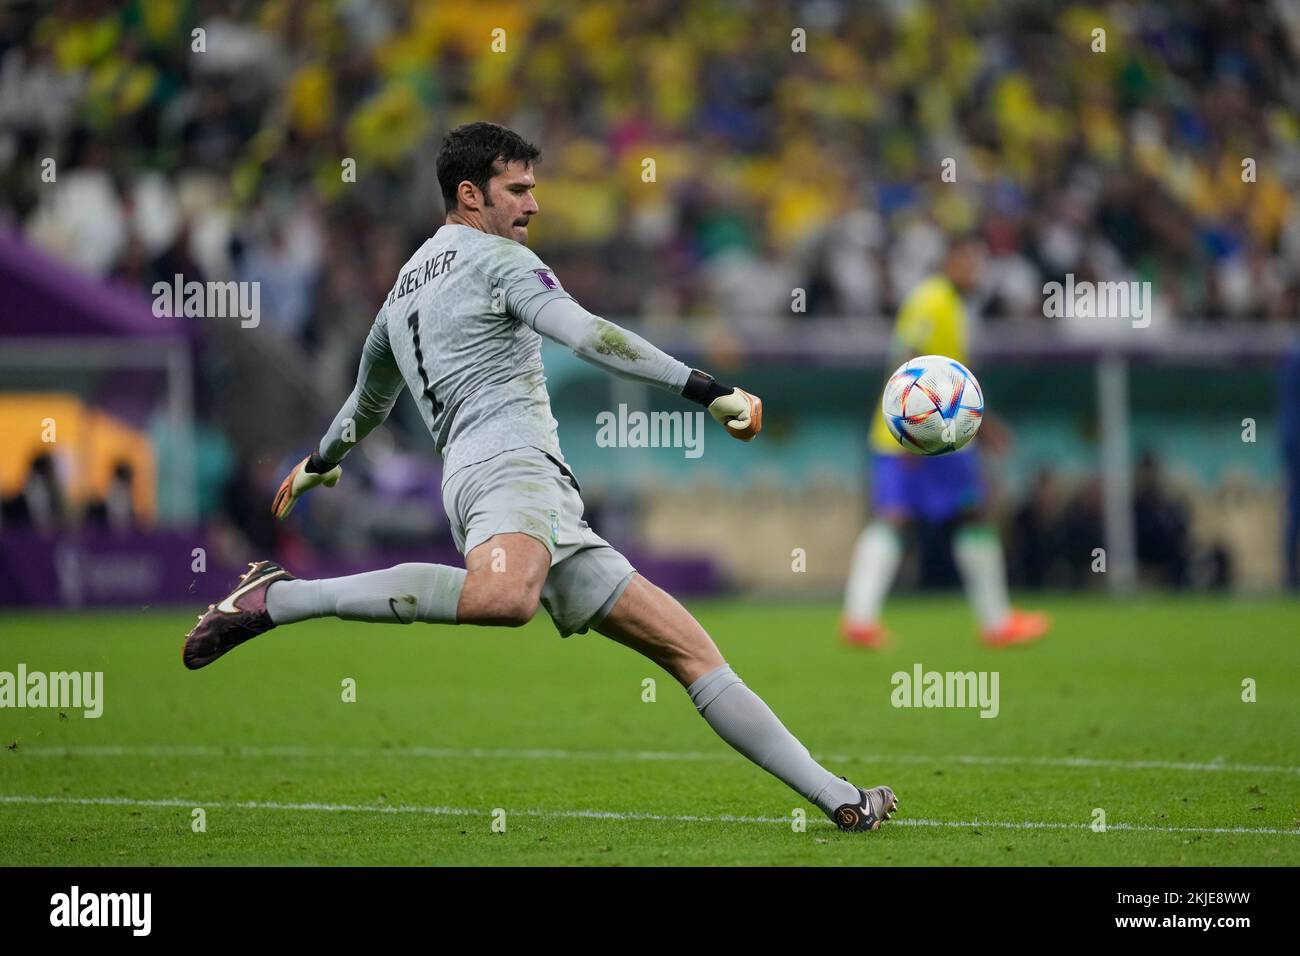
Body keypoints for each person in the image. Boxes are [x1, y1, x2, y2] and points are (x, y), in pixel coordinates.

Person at [184, 122, 897, 833]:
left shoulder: (401, 291)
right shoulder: (499, 263)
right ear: (470, 195)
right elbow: (589, 335)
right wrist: (709, 391)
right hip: (510, 472)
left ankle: (837, 794)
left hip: (518, 492)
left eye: (534, 189)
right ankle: (281, 597)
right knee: (505, 598)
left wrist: (321, 463)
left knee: (689, 650)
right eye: (517, 190)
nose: (533, 205)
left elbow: (369, 400)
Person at [841, 233, 1050, 649]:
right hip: (919, 435)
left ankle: (863, 621)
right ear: (948, 262)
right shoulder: (931, 300)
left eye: (978, 263)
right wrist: (908, 433)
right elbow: (906, 357)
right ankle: (992, 622)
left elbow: (956, 378)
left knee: (953, 513)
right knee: (910, 516)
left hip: (938, 433)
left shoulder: (952, 306)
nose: (975, 271)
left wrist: (985, 426)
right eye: (967, 261)